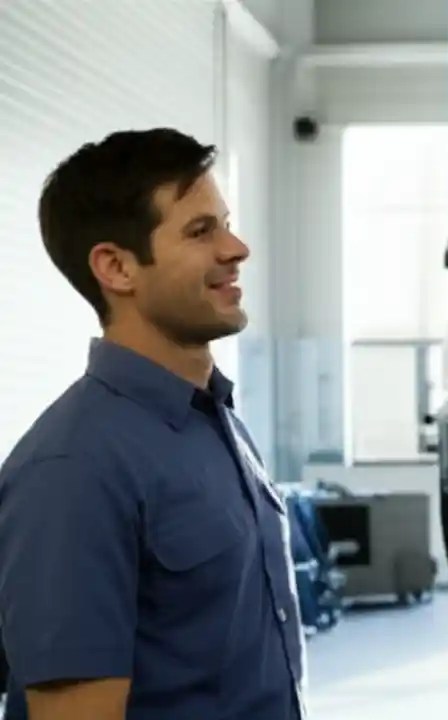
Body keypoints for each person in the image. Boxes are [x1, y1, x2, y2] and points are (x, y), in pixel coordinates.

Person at [0, 129, 304, 720]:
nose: (236, 247)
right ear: (116, 267)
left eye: (225, 222)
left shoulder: (218, 426)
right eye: (200, 231)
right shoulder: (73, 469)